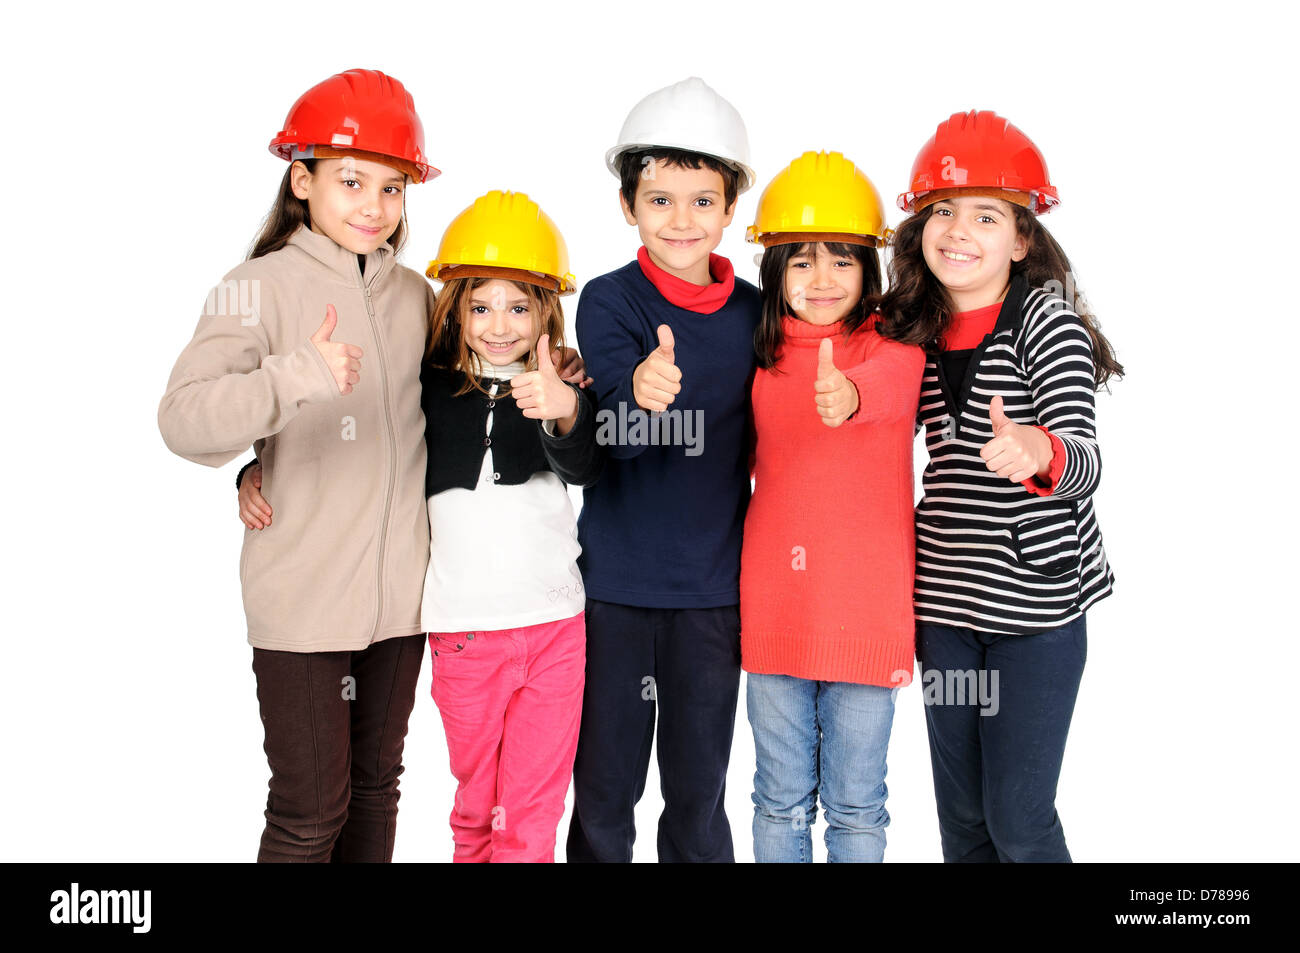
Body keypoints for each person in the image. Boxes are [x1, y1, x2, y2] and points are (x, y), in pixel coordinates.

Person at [158, 69, 439, 862]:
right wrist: (294, 382)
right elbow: (184, 420)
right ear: (302, 177)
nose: (373, 207)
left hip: (400, 604)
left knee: (377, 789)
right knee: (311, 811)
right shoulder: (257, 289)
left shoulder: (417, 296)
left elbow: (458, 414)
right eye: (351, 181)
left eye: (392, 188)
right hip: (305, 601)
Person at [878, 110, 1123, 863]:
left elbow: (1085, 460)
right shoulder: (910, 326)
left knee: (1018, 818)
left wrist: (1034, 447)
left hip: (1035, 612)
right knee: (965, 824)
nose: (959, 230)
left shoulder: (1046, 322)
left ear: (1021, 239)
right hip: (946, 604)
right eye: (943, 210)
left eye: (987, 215)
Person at [566, 77, 761, 862]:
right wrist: (642, 395)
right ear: (627, 206)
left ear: (730, 209)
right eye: (660, 200)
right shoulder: (609, 301)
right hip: (614, 588)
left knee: (698, 795)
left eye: (702, 201)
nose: (682, 221)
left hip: (713, 596)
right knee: (606, 792)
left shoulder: (756, 312)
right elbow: (603, 440)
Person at [740, 151, 924, 862]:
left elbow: (887, 390)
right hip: (776, 610)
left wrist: (846, 396)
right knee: (778, 802)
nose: (822, 280)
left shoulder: (894, 344)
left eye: (842, 261)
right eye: (802, 262)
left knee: (856, 809)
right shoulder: (754, 353)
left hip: (867, 615)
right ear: (774, 269)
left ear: (869, 268)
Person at [420, 190, 603, 862]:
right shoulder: (431, 387)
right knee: (476, 810)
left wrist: (564, 408)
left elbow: (586, 465)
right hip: (465, 635)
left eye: (519, 306)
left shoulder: (563, 385)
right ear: (458, 311)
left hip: (556, 631)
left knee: (532, 814)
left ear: (545, 310)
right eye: (481, 306)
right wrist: (253, 470)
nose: (500, 323)